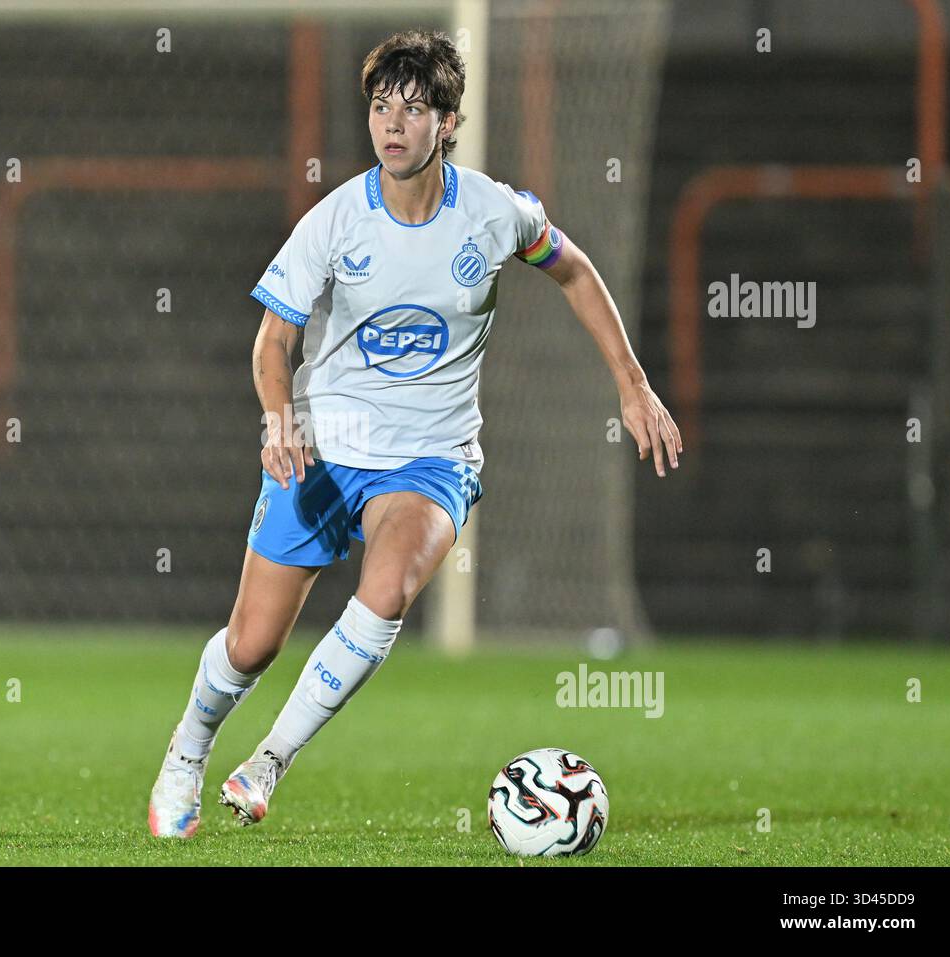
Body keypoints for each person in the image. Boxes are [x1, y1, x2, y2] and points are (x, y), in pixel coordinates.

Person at [148, 28, 681, 838]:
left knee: (387, 588)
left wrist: (633, 383)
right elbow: (272, 341)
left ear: (449, 122)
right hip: (323, 451)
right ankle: (189, 745)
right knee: (252, 645)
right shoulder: (335, 222)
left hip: (431, 460)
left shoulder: (495, 213)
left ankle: (269, 762)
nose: (392, 123)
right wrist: (279, 412)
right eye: (379, 107)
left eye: (413, 107)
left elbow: (572, 268)